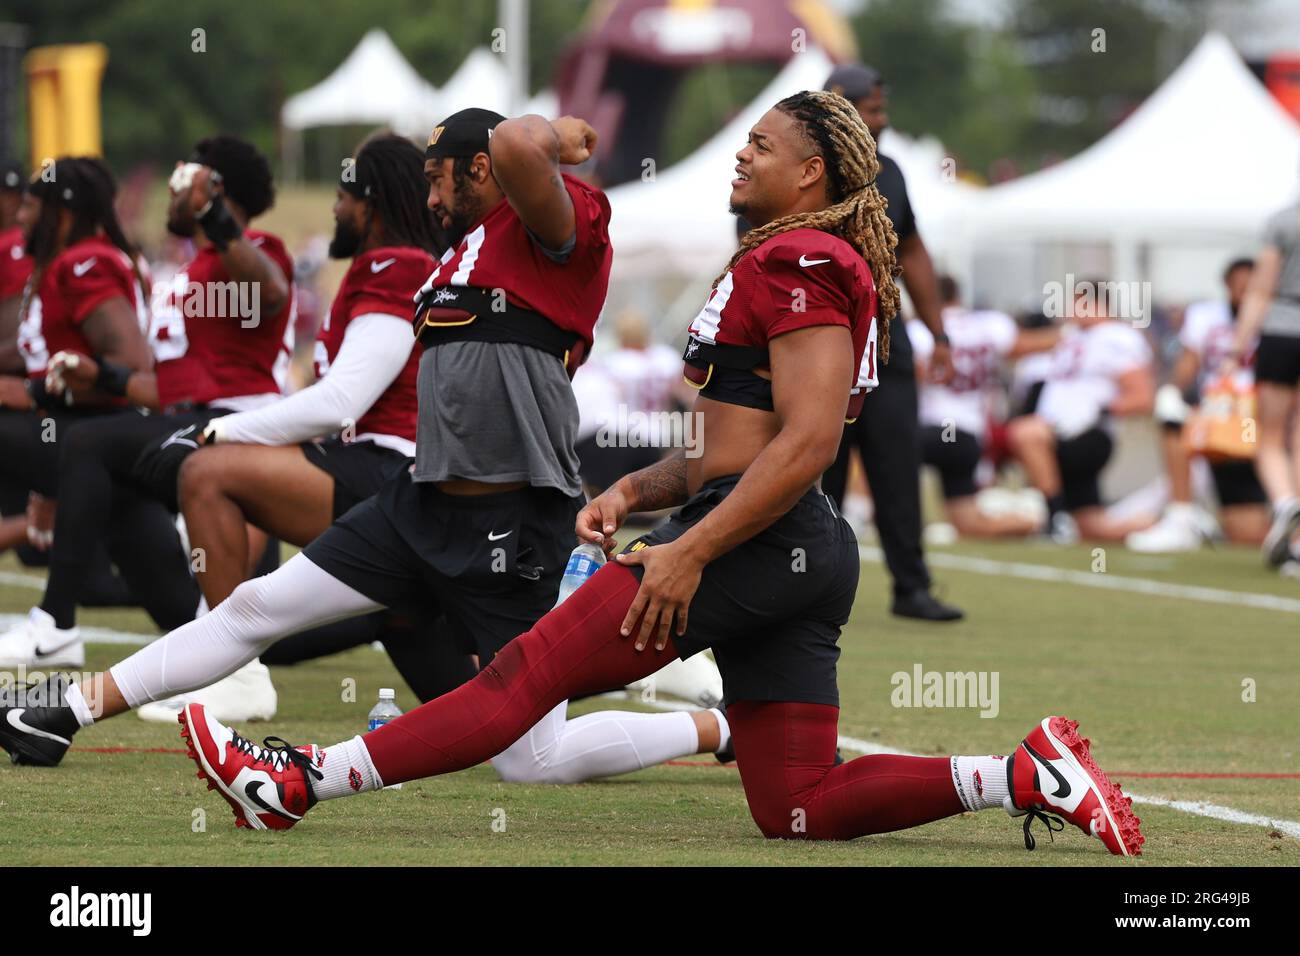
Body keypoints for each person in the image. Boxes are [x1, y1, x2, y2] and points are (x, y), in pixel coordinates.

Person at [169, 91, 1135, 856]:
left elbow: (803, 447)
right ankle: (1022, 777)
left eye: (761, 144)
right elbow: (737, 446)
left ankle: (296, 783)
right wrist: (638, 491)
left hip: (757, 542)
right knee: (796, 807)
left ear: (812, 173)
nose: (740, 153)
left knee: (517, 681)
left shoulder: (799, 256)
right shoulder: (789, 256)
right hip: (791, 546)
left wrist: (687, 553)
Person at [0, 108, 729, 788]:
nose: (430, 203)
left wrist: (562, 136)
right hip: (418, 502)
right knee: (254, 608)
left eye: (439, 180)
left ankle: (717, 725)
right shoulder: (453, 258)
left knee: (529, 762)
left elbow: (515, 146)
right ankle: (63, 713)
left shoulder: (555, 226)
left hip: (512, 522)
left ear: (482, 170)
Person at [0, 137, 295, 670]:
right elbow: (161, 385)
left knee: (89, 444)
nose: (174, 187)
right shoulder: (194, 268)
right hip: (184, 424)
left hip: (237, 427)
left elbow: (270, 293)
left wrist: (214, 213)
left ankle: (55, 625)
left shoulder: (257, 248)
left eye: (190, 179)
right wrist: (100, 376)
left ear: (215, 189)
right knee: (192, 617)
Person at [819, 64, 962, 621]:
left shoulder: (891, 172)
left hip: (884, 342)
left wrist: (939, 332)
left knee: (898, 465)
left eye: (881, 108)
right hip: (822, 343)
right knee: (819, 468)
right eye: (871, 109)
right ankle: (813, 587)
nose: (881, 120)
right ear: (838, 105)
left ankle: (912, 587)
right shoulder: (804, 170)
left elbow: (916, 253)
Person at [0, 158, 155, 655]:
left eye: (30, 205)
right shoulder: (64, 262)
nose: (21, 217)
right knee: (186, 608)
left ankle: (55, 623)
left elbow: (131, 367)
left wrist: (38, 392)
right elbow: (31, 354)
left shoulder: (84, 262)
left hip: (102, 434)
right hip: (88, 439)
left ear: (60, 213)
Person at [1127, 259, 1268, 552]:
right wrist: (1172, 392)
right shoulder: (1206, 316)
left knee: (1248, 535)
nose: (1245, 294)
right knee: (1174, 420)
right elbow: (1187, 365)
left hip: (1262, 418)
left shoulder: (1279, 318)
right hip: (1218, 415)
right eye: (1239, 286)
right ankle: (1182, 518)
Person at [1006, 281, 1156, 543]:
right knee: (1091, 528)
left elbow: (1141, 396)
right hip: (1057, 435)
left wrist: (1099, 410)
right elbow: (1016, 347)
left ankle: (1054, 520)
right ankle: (1157, 525)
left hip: (1085, 435)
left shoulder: (1116, 336)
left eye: (1078, 301)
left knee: (1025, 433)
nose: (1071, 309)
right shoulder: (1072, 336)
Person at [910, 276, 1059, 538]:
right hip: (968, 435)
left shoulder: (920, 330)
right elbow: (1026, 345)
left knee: (873, 443)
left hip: (930, 428)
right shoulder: (989, 325)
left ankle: (862, 512)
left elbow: (908, 374)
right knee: (968, 525)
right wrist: (1071, 332)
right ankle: (1037, 519)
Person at [1226, 201, 1300, 567]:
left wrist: (1237, 346)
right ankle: (1299, 540)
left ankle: (1286, 502)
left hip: (1283, 331)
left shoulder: (1284, 221)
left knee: (1268, 438)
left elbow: (1260, 290)